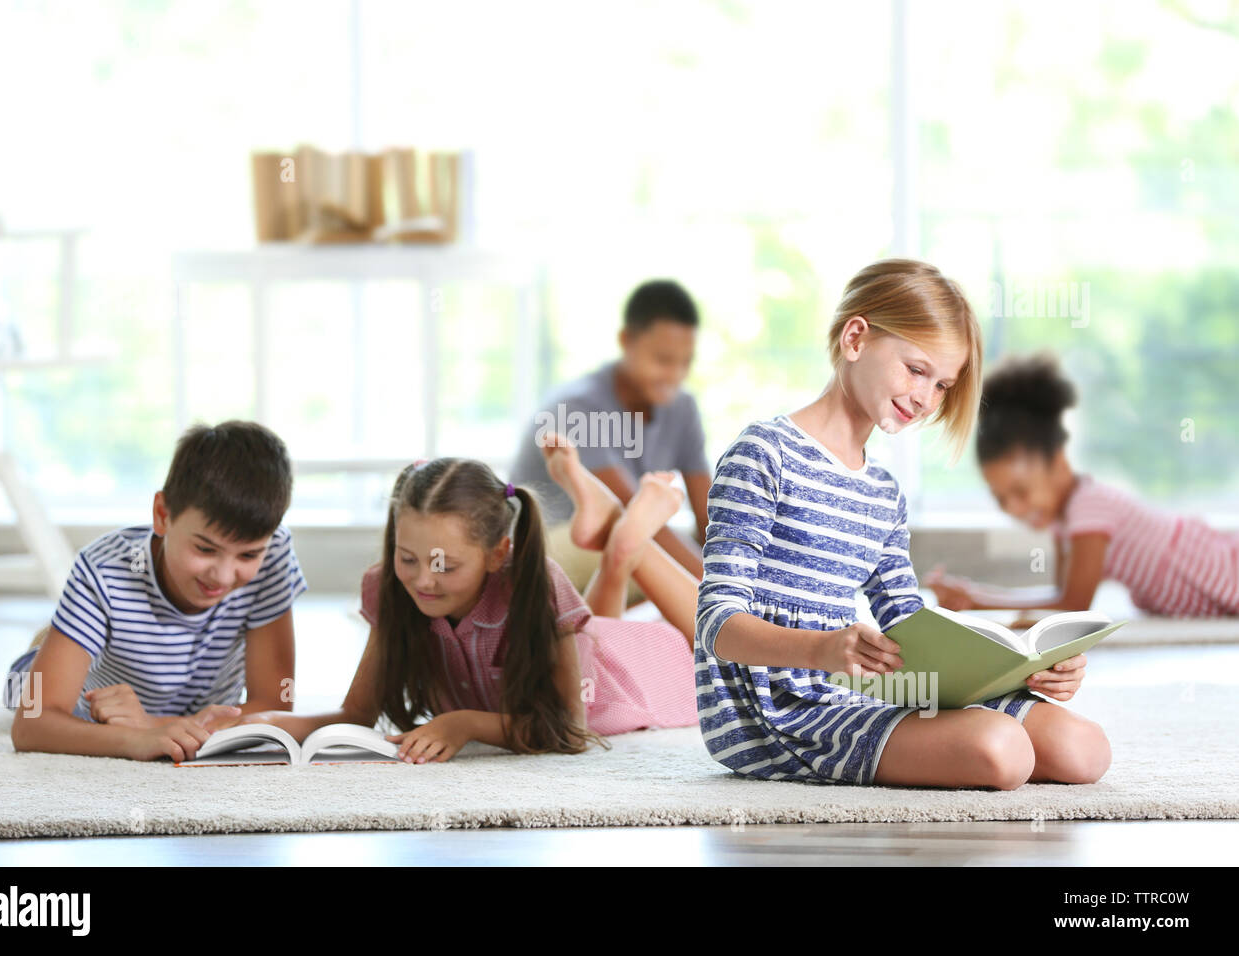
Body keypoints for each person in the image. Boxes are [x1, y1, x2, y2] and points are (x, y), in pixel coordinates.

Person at [697, 259, 1110, 789]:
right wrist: (820, 650)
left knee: (1084, 749)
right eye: (916, 370)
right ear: (855, 338)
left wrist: (1022, 668)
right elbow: (714, 622)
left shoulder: (883, 492)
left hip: (864, 685)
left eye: (942, 385)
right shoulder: (764, 454)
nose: (925, 398)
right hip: (776, 711)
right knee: (1002, 751)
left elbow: (907, 627)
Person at [228, 436, 701, 763]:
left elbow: (570, 729)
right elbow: (356, 714)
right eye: (406, 558)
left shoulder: (535, 583)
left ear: (499, 553)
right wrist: (270, 722)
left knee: (713, 640)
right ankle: (620, 551)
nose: (423, 581)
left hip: (650, 668)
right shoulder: (389, 588)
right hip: (592, 643)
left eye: (444, 566)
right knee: (592, 631)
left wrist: (467, 724)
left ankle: (627, 540)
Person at [4, 420, 306, 762]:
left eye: (248, 555)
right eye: (205, 549)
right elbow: (30, 724)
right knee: (30, 687)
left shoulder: (274, 555)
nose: (222, 575)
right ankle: (54, 642)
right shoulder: (105, 569)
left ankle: (66, 634)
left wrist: (154, 723)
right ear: (162, 515)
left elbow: (276, 706)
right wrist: (136, 740)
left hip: (184, 706)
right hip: (95, 705)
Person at [927, 351, 1239, 618]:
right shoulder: (1068, 522)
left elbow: (1071, 608)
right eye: (1001, 499)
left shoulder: (1088, 507)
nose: (1014, 509)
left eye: (1020, 491)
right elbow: (1060, 595)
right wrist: (975, 598)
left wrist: (977, 599)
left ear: (1059, 462)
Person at [508, 279, 711, 605]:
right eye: (662, 360)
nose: (674, 375)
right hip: (549, 540)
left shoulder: (682, 407)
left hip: (623, 531)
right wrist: (717, 590)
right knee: (632, 538)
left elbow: (708, 518)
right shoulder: (576, 407)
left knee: (697, 550)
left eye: (684, 362)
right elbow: (630, 513)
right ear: (626, 340)